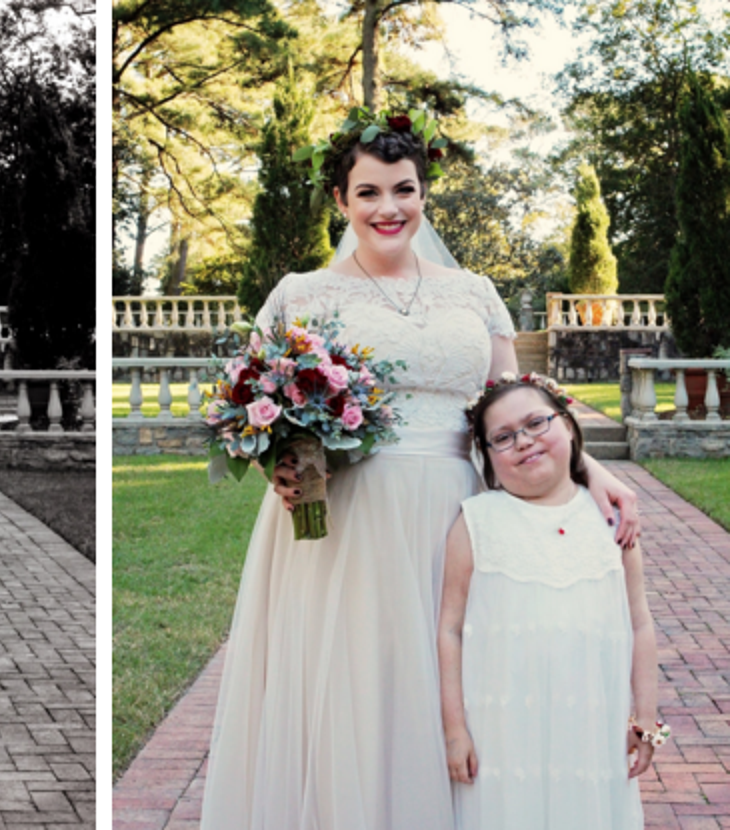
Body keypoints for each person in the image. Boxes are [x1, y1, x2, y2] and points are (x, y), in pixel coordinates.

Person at [199, 110, 641, 829]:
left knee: (460, 675)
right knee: (357, 681)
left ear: (424, 192)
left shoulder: (472, 293)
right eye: (368, 192)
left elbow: (514, 403)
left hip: (457, 515)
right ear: (340, 200)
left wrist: (592, 470)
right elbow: (256, 406)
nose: (389, 208)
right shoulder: (301, 294)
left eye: (403, 189)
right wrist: (278, 462)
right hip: (348, 520)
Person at [438, 373, 659, 829]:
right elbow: (450, 630)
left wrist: (647, 719)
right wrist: (454, 730)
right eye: (503, 437)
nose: (523, 441)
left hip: (590, 728)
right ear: (486, 456)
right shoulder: (476, 522)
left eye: (536, 423)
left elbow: (639, 624)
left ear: (569, 426)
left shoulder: (614, 522)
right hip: (501, 731)